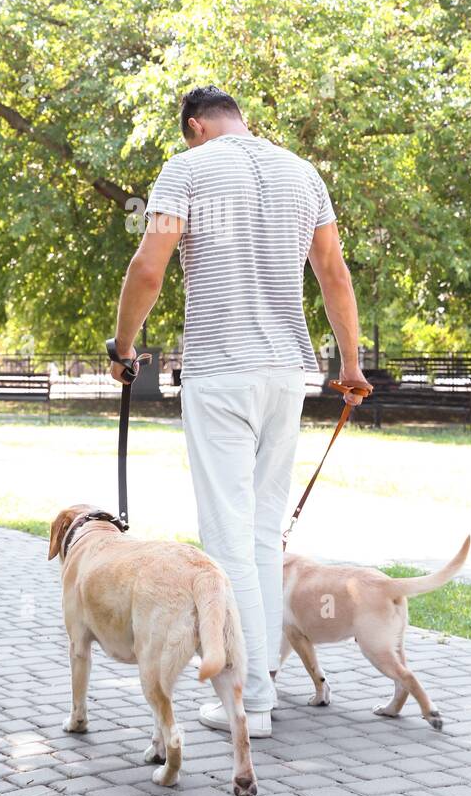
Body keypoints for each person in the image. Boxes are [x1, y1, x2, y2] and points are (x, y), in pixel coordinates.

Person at [109, 86, 368, 736]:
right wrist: (351, 364)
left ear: (195, 127)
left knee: (227, 543)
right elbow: (333, 273)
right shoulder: (303, 173)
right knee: (259, 538)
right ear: (240, 121)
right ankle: (260, 687)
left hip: (222, 372)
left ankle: (249, 702)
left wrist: (122, 344)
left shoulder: (186, 168)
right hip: (287, 374)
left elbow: (149, 269)